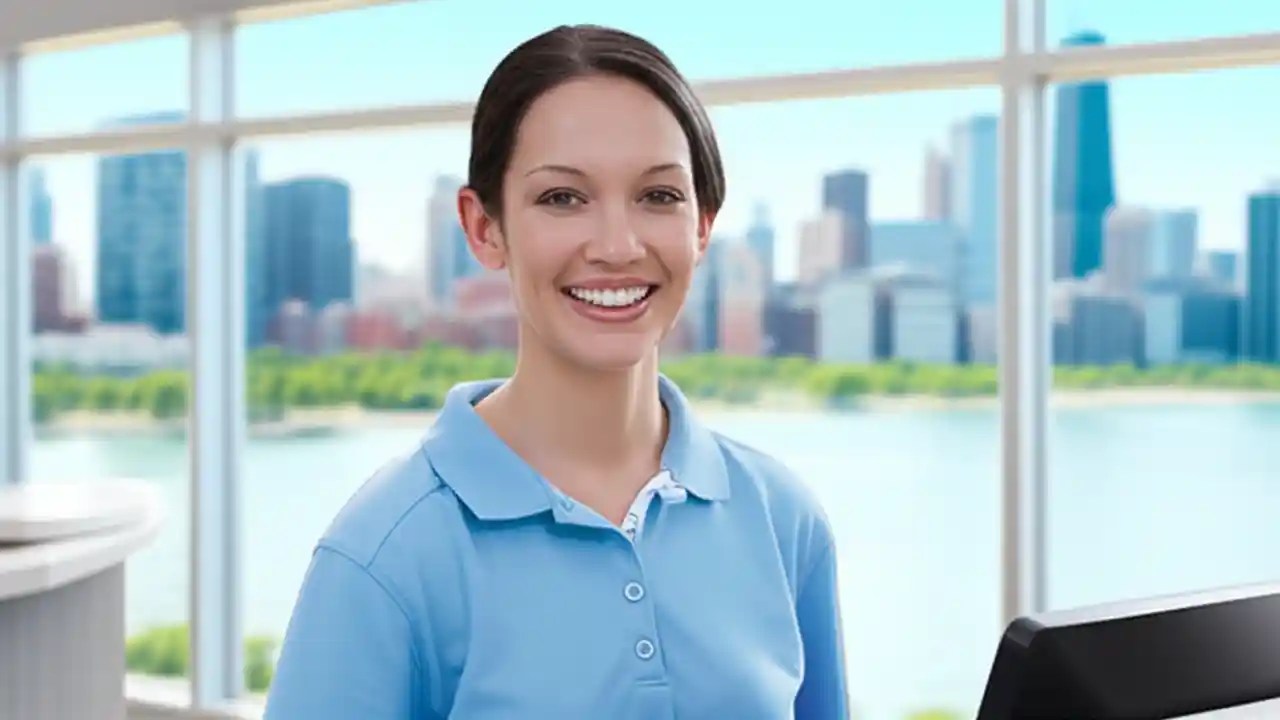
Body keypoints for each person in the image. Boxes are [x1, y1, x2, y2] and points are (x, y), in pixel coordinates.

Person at [264, 23, 848, 720]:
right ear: (485, 229)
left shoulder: (784, 519)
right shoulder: (384, 555)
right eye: (562, 198)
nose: (616, 246)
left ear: (702, 227)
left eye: (658, 196)